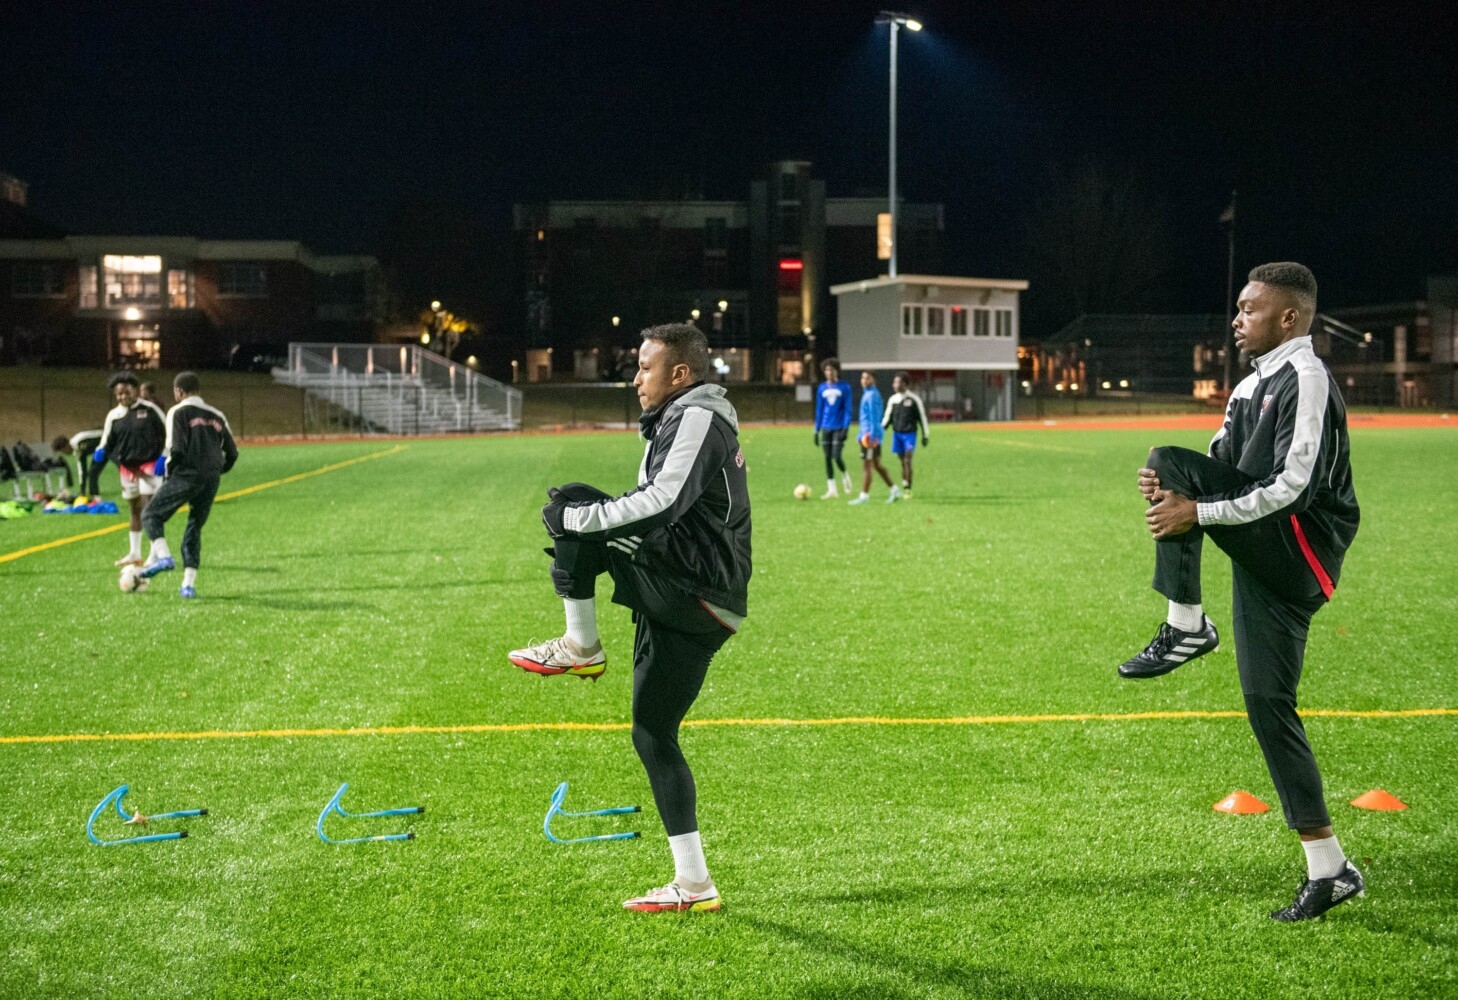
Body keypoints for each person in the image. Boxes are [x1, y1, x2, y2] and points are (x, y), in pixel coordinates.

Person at [1119, 262, 1362, 922]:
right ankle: (1330, 868)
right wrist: (1174, 494)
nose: (1236, 319)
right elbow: (1220, 467)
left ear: (1289, 318)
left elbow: (1295, 489)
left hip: (1299, 547)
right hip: (1266, 555)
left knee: (1170, 458)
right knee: (1267, 706)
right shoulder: (1249, 386)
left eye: (1249, 309)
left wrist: (1193, 510)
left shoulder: (1305, 378)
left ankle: (1187, 625)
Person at [507, 323, 751, 914]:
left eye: (645, 366)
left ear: (681, 375)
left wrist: (579, 525)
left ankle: (581, 644)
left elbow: (662, 501)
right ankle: (694, 884)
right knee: (652, 732)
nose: (635, 376)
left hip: (695, 589)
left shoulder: (699, 417)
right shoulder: (678, 417)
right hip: (696, 591)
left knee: (571, 510)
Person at [138, 372, 239, 598]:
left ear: (178, 391)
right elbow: (233, 453)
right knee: (194, 526)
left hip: (186, 474)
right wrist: (218, 470)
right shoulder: (217, 414)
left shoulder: (178, 411)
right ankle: (188, 585)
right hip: (211, 478)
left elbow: (177, 448)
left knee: (151, 515)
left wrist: (168, 471)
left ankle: (163, 557)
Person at [92, 372, 167, 566]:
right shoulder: (114, 416)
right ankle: (134, 553)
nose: (123, 397)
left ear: (135, 390)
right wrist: (100, 450)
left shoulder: (150, 410)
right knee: (134, 509)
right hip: (127, 469)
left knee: (150, 510)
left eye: (127, 392)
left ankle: (154, 553)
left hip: (150, 466)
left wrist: (163, 457)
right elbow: (107, 440)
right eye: (119, 394)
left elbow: (167, 433)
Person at [848, 371, 898, 505]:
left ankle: (864, 496)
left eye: (867, 378)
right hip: (867, 436)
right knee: (876, 465)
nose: (864, 380)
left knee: (867, 466)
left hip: (870, 438)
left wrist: (872, 437)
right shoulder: (869, 394)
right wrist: (860, 435)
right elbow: (866, 419)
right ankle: (894, 489)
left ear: (874, 380)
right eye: (862, 378)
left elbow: (874, 418)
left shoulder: (871, 396)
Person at [882, 372, 930, 498]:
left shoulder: (914, 400)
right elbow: (887, 418)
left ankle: (908, 489)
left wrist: (925, 435)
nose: (895, 385)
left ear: (905, 384)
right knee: (902, 461)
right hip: (897, 435)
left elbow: (922, 418)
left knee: (908, 460)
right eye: (894, 382)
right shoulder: (893, 400)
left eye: (897, 382)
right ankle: (905, 482)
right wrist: (880, 431)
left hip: (910, 434)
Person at [813, 359, 854, 499]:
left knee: (836, 456)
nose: (829, 373)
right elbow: (819, 409)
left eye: (832, 370)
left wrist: (846, 428)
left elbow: (848, 409)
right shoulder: (821, 388)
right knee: (827, 458)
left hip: (838, 427)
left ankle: (845, 476)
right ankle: (832, 490)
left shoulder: (845, 387)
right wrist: (816, 430)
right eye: (827, 370)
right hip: (826, 427)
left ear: (837, 371)